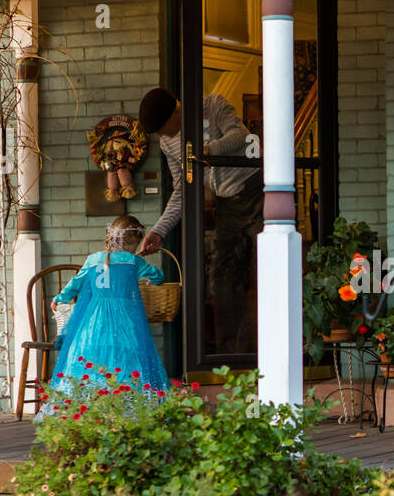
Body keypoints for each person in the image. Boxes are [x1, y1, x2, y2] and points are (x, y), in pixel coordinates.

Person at [137, 88, 263, 353]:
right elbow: (183, 189)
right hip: (226, 206)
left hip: (255, 193)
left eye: (163, 127)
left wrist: (205, 151)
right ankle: (232, 355)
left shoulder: (214, 105)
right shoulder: (167, 143)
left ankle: (265, 349)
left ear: (177, 111)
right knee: (223, 280)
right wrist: (159, 231)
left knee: (263, 273)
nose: (162, 135)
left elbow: (241, 135)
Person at [51, 215, 169, 393]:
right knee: (126, 351)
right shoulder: (133, 261)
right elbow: (158, 277)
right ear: (133, 242)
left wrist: (59, 299)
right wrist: (144, 268)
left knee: (92, 351)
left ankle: (89, 393)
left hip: (94, 318)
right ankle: (125, 392)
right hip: (124, 316)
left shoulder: (92, 260)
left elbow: (75, 284)